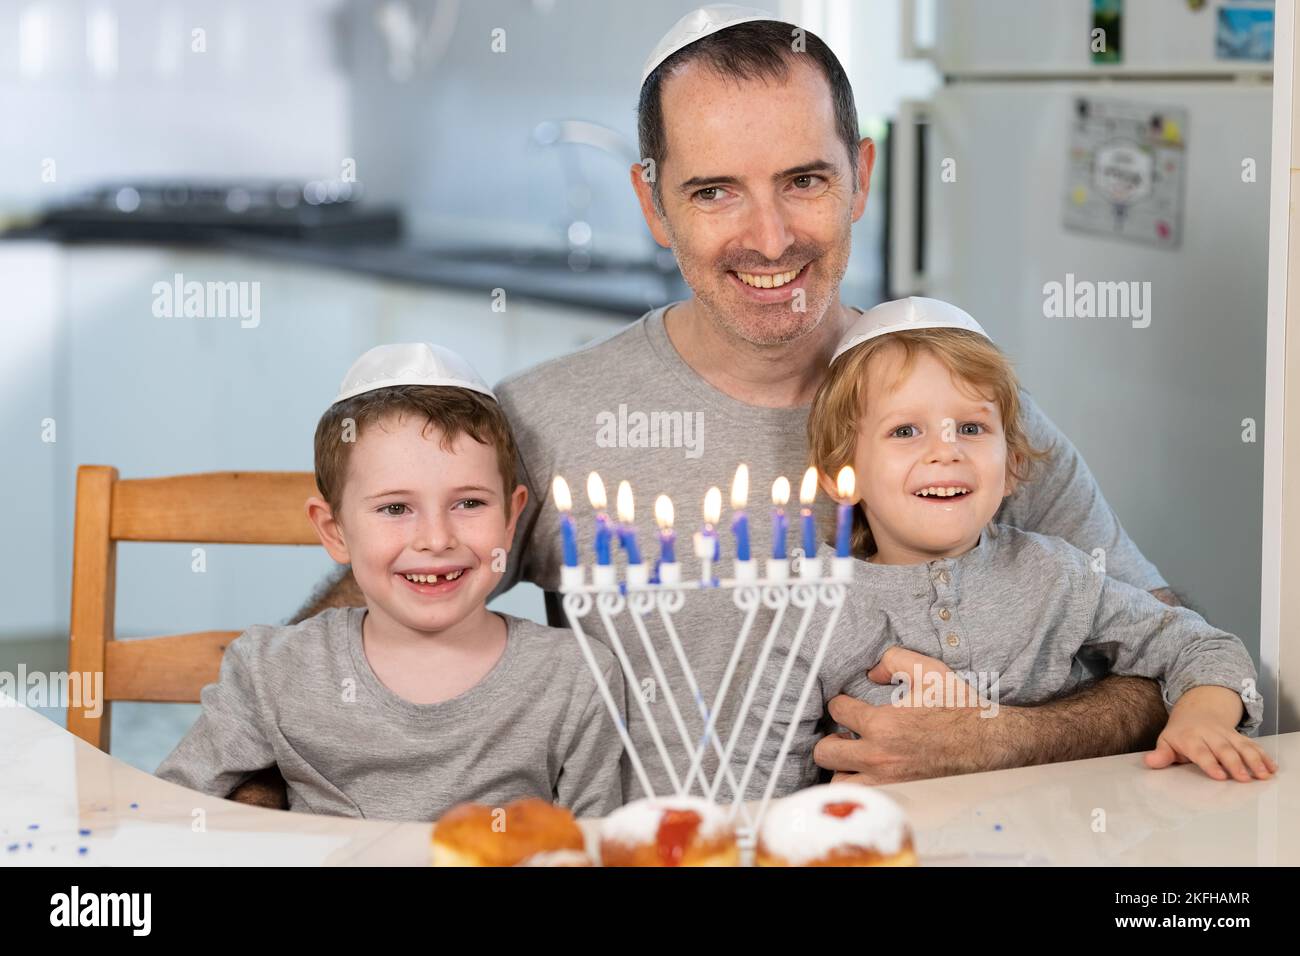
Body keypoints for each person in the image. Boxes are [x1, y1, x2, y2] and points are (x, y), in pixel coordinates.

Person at [294, 7, 1185, 797]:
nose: (769, 239)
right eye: (714, 191)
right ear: (652, 201)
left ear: (860, 176)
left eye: (804, 180)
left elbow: (1171, 660)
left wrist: (1002, 742)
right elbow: (334, 656)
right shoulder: (547, 423)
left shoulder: (957, 409)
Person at [757, 297, 1273, 794]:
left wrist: (1202, 718)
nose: (946, 450)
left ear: (1012, 468)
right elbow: (765, 772)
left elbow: (1203, 645)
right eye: (906, 429)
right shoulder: (816, 604)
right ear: (840, 476)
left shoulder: (1055, 572)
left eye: (971, 427)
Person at [158, 344, 624, 820]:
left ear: (512, 518)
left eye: (469, 504)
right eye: (395, 508)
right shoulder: (272, 670)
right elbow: (168, 815)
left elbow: (599, 845)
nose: (436, 539)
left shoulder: (574, 678)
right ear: (334, 531)